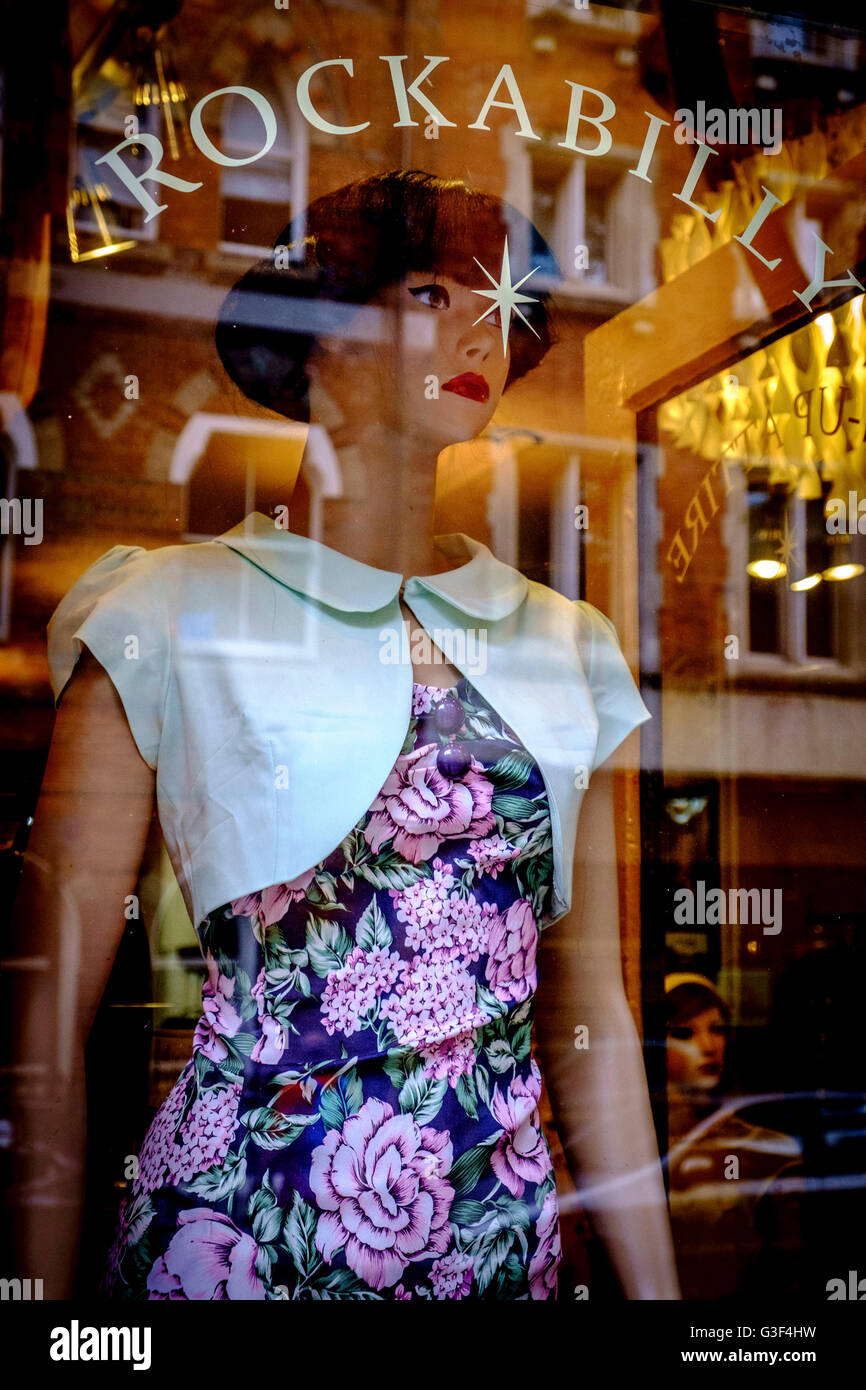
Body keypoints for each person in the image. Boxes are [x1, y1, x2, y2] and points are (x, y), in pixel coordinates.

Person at [8, 170, 680, 1299]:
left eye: (497, 302)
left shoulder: (566, 647)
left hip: (496, 1257)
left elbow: (593, 1017)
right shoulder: (169, 615)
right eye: (430, 291)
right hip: (235, 1243)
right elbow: (41, 1034)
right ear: (322, 337)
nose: (478, 329)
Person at [664, 974, 804, 1300]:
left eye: (717, 1029)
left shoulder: (767, 1151)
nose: (709, 1047)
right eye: (684, 1033)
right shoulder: (630, 1150)